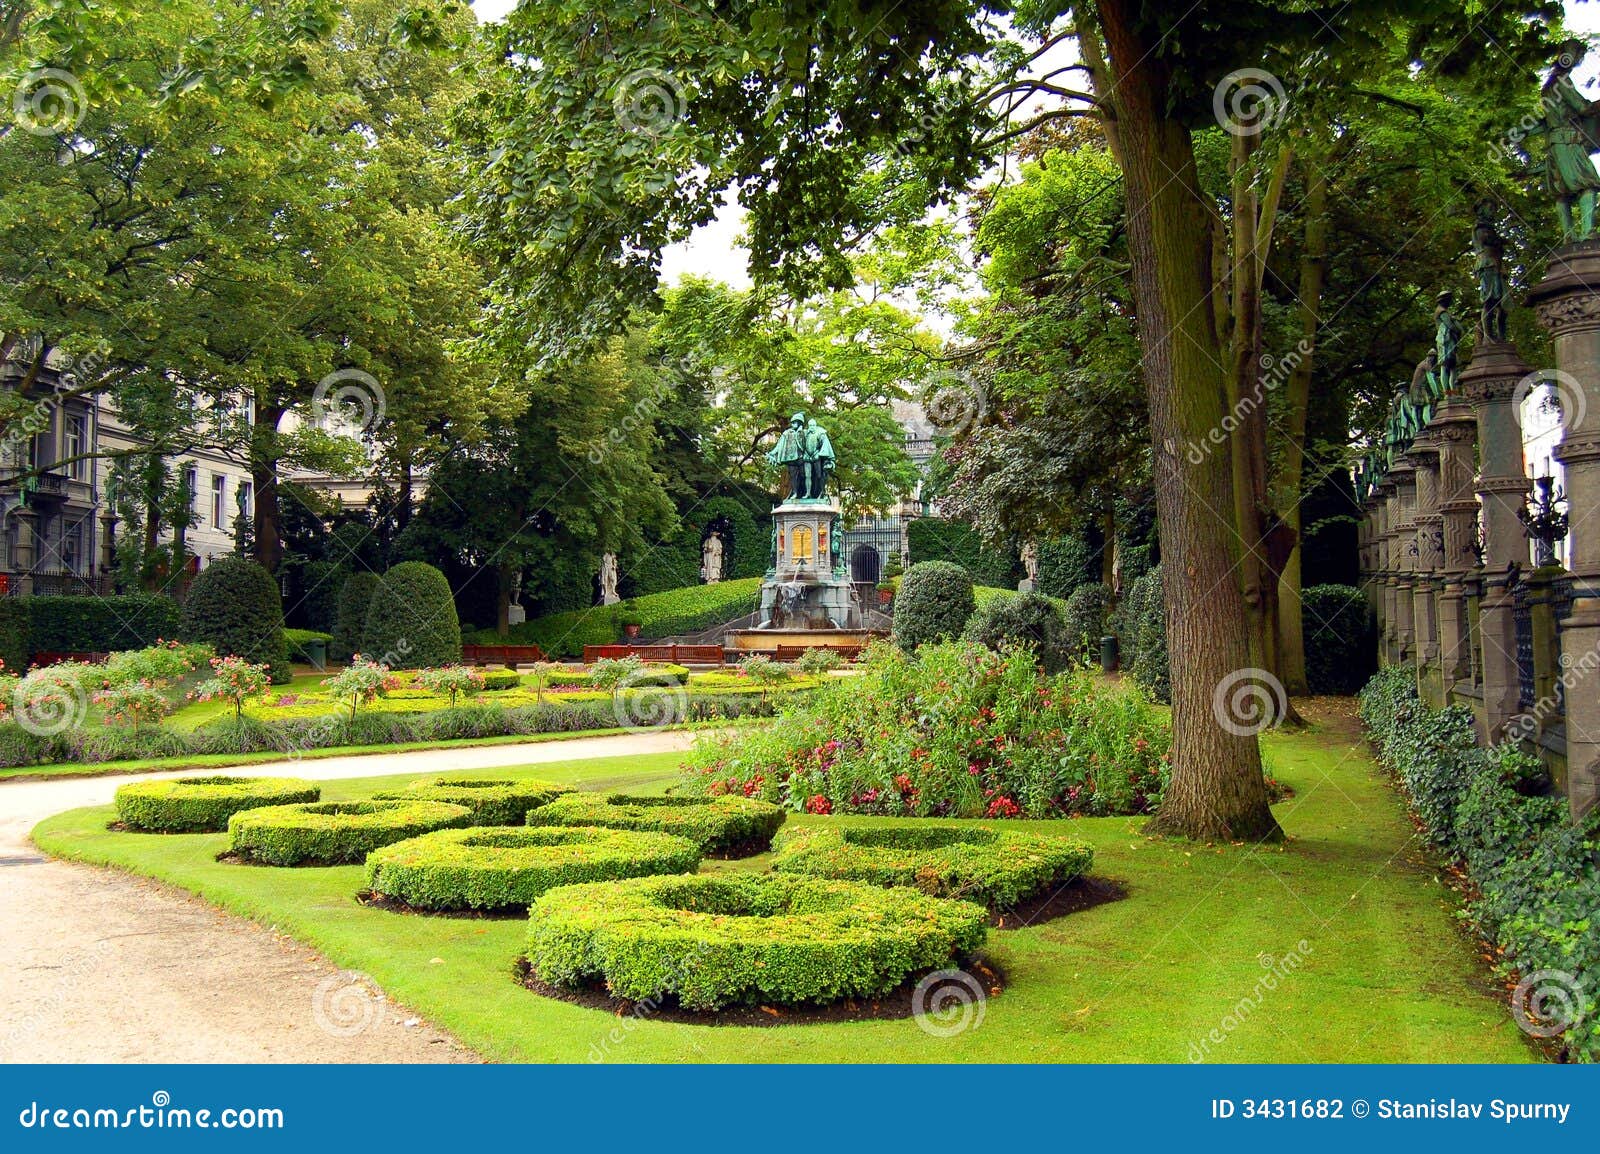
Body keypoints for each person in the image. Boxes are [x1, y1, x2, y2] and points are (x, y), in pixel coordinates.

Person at [1541, 39, 1600, 242]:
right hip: (1568, 140)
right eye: (1578, 55)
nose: (1578, 60)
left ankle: (1568, 236)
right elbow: (1582, 107)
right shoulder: (1562, 80)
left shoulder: (1548, 85)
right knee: (1589, 184)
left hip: (1553, 143)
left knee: (1561, 192)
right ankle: (1588, 232)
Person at [765, 413, 809, 499]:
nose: (793, 424)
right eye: (792, 422)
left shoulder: (804, 432)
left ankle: (805, 493)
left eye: (795, 422)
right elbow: (779, 445)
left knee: (804, 475)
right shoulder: (786, 433)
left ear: (800, 423)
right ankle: (795, 493)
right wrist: (772, 453)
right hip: (791, 458)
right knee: (792, 477)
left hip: (801, 458)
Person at [804, 418, 835, 500]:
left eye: (813, 425)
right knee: (807, 476)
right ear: (808, 426)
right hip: (807, 457)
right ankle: (807, 493)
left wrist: (825, 456)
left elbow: (825, 445)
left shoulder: (820, 433)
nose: (812, 427)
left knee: (819, 475)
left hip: (816, 456)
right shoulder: (805, 434)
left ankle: (821, 492)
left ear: (816, 425)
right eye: (810, 425)